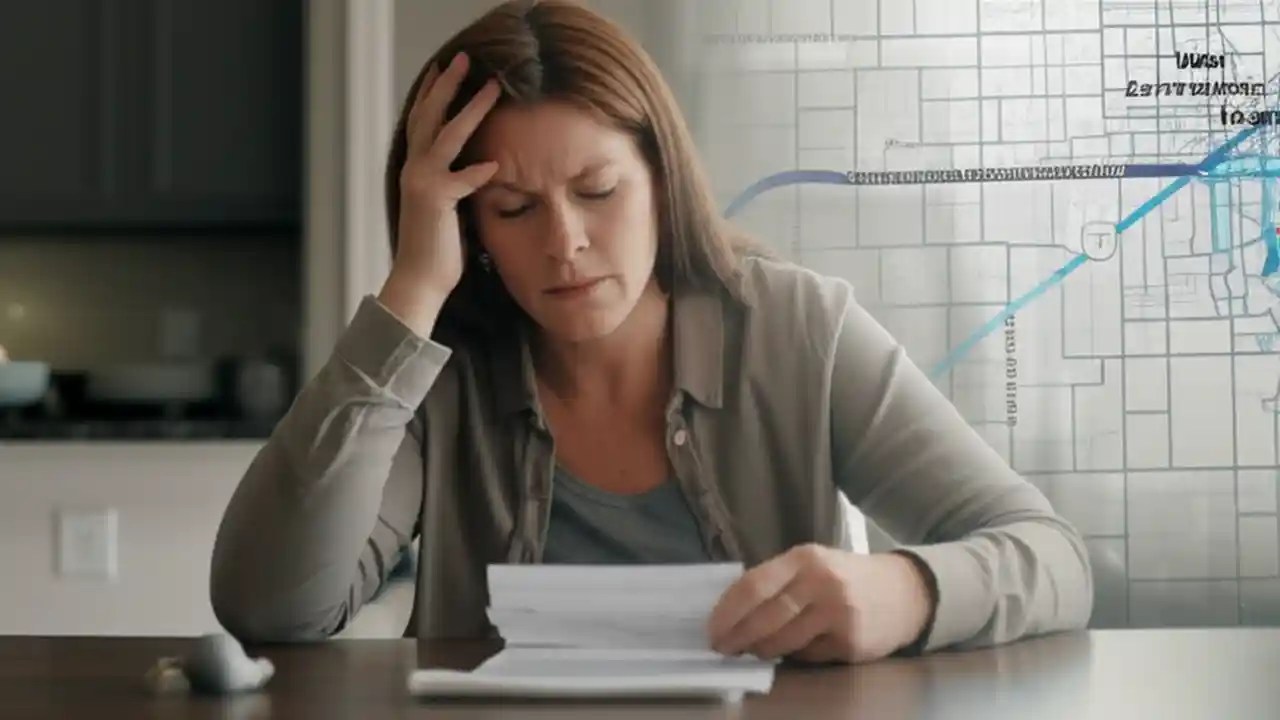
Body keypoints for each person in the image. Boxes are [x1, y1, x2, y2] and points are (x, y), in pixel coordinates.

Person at [210, 0, 1093, 664]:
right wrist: (409, 293)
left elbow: (1051, 558)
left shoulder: (798, 328)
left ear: (662, 180)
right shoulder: (438, 371)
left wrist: (910, 589)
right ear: (469, 228)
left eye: (598, 191)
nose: (566, 243)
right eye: (513, 209)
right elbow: (273, 608)